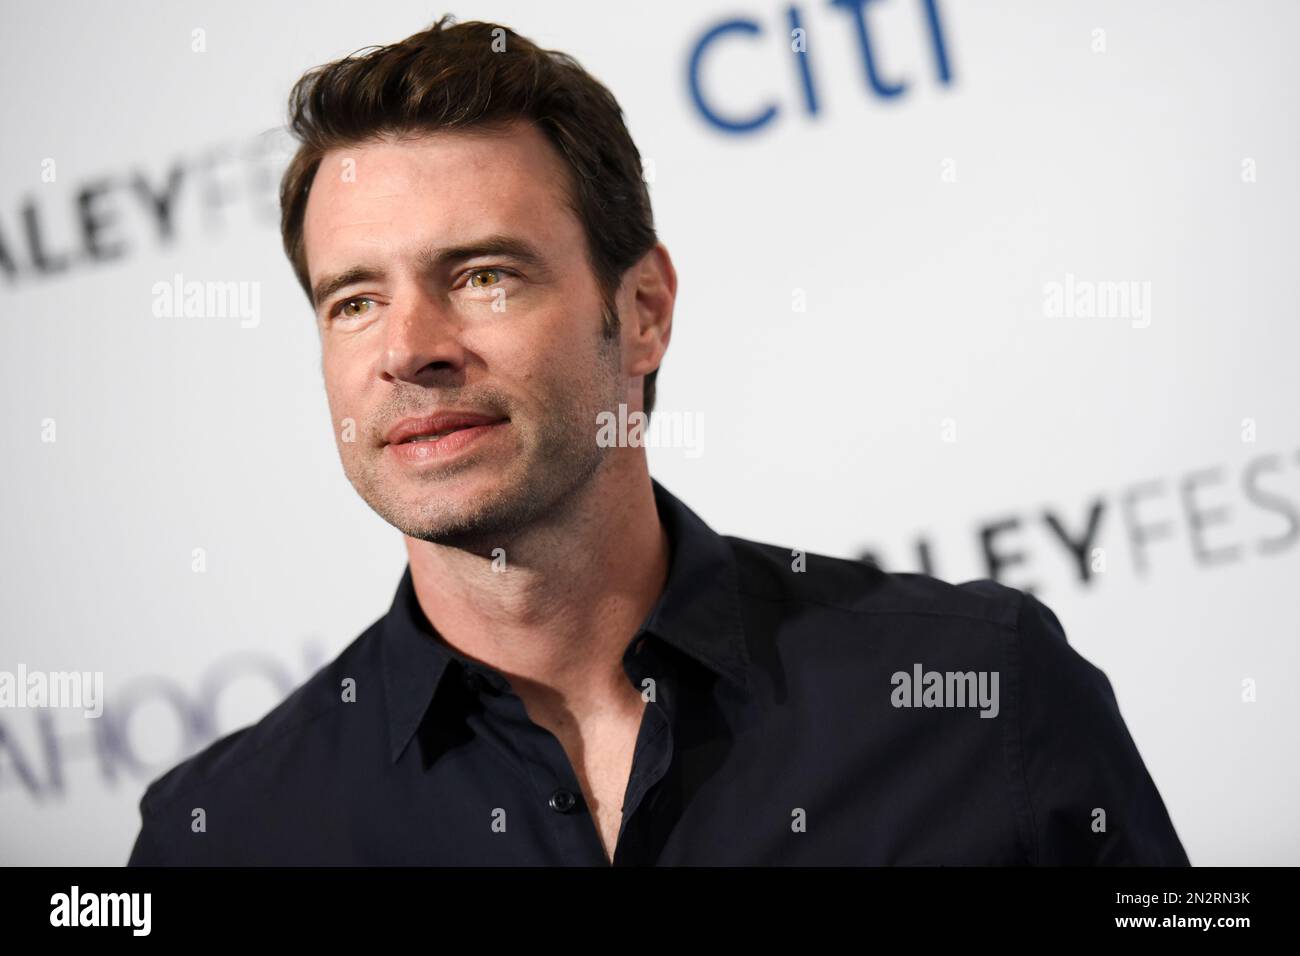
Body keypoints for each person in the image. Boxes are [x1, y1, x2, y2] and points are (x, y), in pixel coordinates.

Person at [126, 16, 1189, 866]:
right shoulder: (224, 833)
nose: (409, 349)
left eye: (483, 275)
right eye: (353, 300)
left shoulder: (977, 694)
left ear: (641, 310)